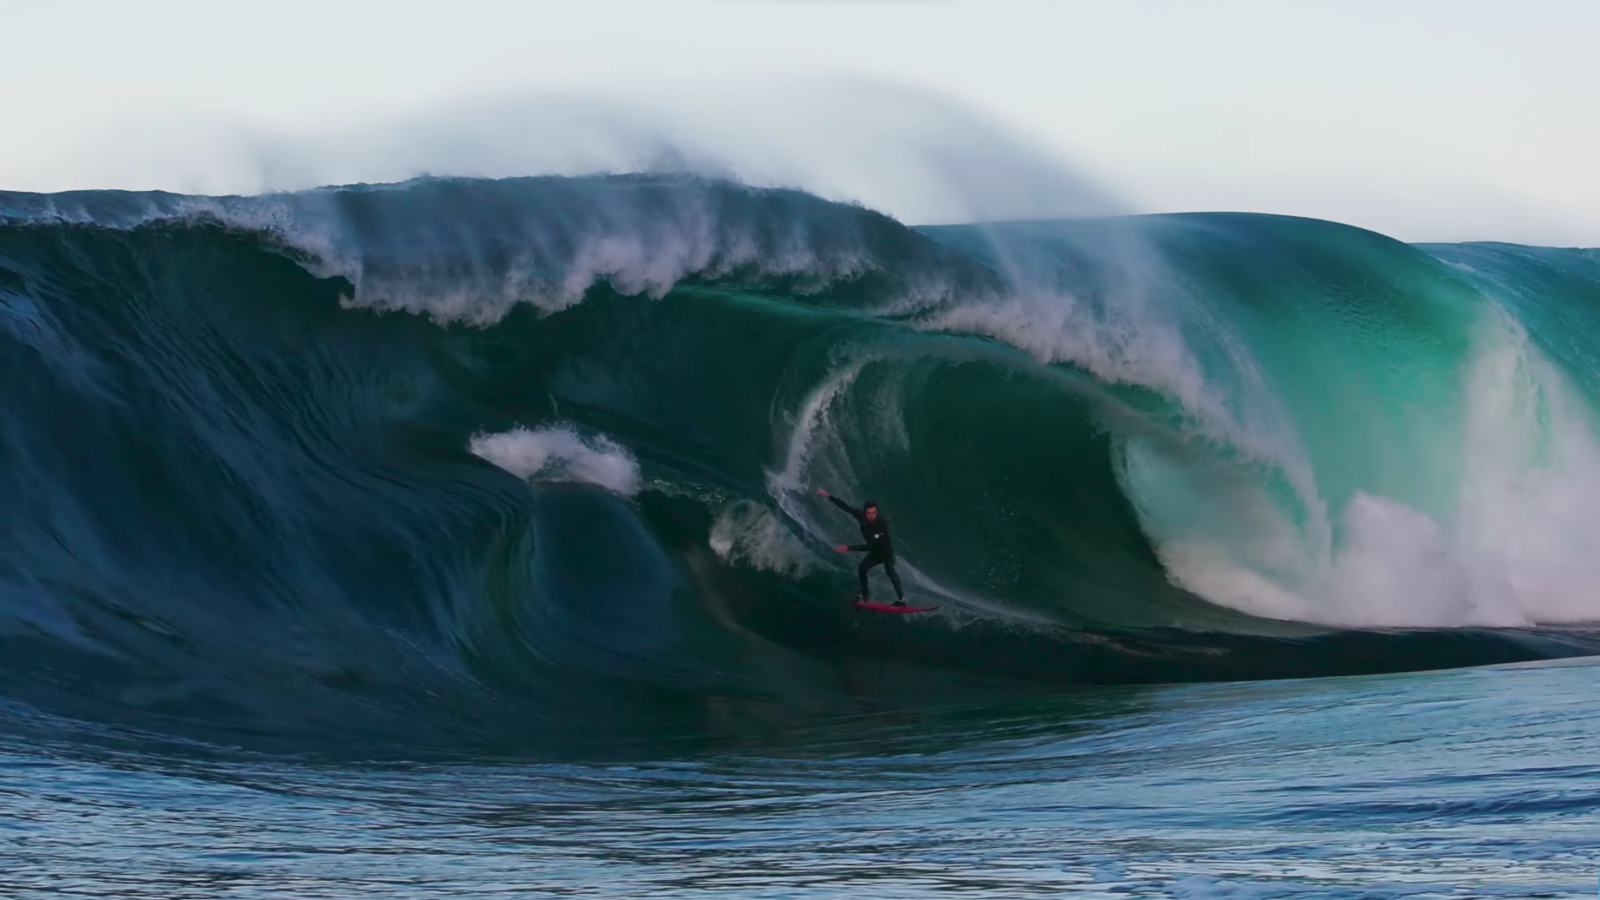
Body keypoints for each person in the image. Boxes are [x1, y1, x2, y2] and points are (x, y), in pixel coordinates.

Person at [816, 488, 906, 606]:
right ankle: (865, 597)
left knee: (889, 569)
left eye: (873, 513)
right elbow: (845, 507)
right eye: (868, 513)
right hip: (876, 553)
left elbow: (870, 546)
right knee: (862, 569)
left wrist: (848, 548)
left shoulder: (881, 525)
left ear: (877, 512)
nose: (871, 516)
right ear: (865, 512)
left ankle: (901, 600)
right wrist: (828, 495)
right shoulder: (861, 516)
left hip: (886, 553)